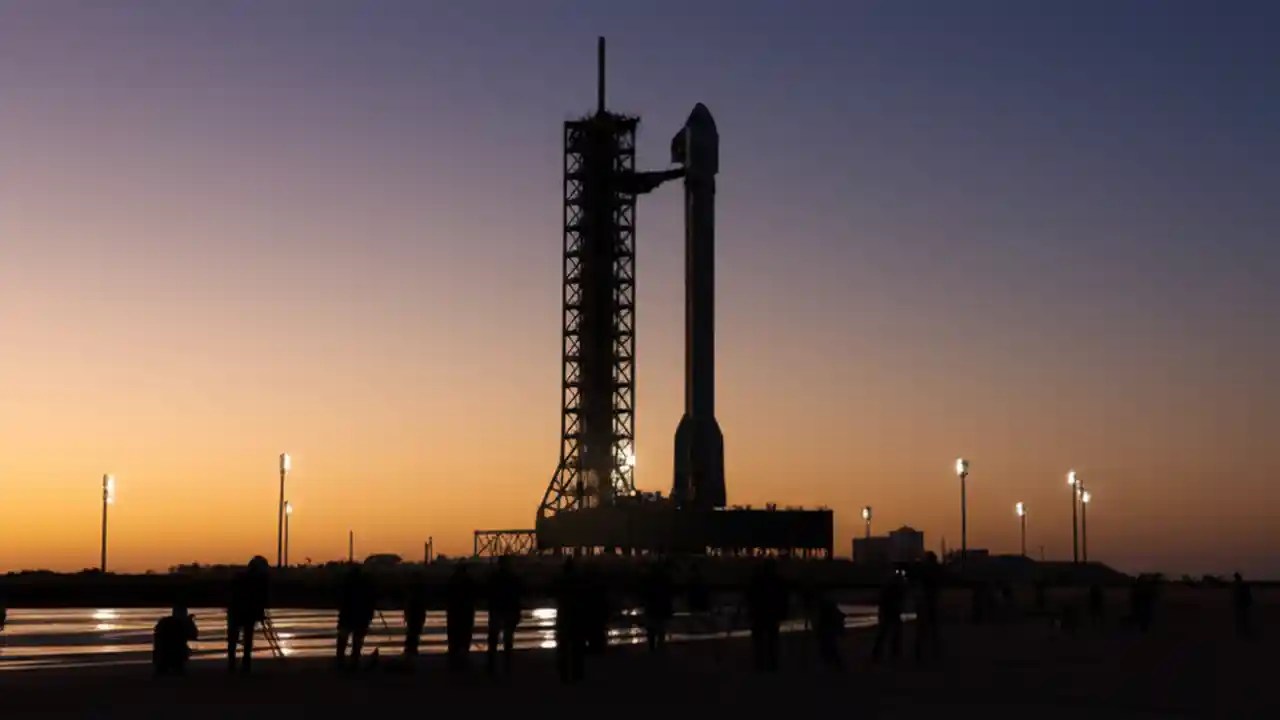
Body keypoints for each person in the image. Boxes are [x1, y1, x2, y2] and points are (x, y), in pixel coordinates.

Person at [226, 556, 270, 674]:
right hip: (242, 611)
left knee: (235, 638)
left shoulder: (240, 578)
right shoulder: (258, 580)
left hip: (238, 610)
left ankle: (236, 664)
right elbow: (261, 599)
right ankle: (243, 664)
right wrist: (259, 612)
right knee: (244, 637)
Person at [745, 559, 787, 671]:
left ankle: (760, 664)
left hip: (760, 614)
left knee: (760, 641)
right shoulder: (778, 581)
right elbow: (783, 599)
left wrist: (750, 612)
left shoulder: (757, 580)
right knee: (772, 641)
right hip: (771, 615)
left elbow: (749, 597)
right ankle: (772, 664)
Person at [486, 556, 522, 675]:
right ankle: (506, 664)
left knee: (493, 639)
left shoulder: (494, 578)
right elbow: (517, 596)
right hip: (508, 610)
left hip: (498, 610)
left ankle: (492, 665)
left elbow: (489, 594)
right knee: (507, 639)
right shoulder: (514, 578)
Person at [336, 565, 376, 669]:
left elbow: (341, 599)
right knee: (356, 637)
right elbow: (370, 600)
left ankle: (342, 659)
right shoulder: (365, 585)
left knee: (346, 636)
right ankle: (353, 659)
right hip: (358, 615)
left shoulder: (347, 584)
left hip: (350, 614)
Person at [554, 558, 587, 683]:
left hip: (564, 616)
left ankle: (564, 673)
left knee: (563, 646)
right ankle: (577, 673)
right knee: (577, 647)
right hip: (576, 616)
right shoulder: (579, 583)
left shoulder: (560, 582)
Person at [446, 563, 476, 672]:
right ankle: (462, 654)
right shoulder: (468, 580)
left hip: (455, 612)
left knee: (455, 635)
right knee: (464, 634)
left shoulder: (452, 580)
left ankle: (455, 655)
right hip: (465, 612)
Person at [153, 605, 199, 676]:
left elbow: (193, 635)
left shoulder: (165, 622)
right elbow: (193, 635)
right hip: (171, 654)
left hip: (166, 655)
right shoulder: (168, 623)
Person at [913, 553, 942, 662]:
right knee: (931, 629)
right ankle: (933, 652)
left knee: (923, 630)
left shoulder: (923, 571)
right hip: (929, 602)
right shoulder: (934, 571)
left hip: (924, 602)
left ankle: (921, 653)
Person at [640, 560, 674, 653]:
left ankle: (652, 645)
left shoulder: (649, 580)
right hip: (661, 605)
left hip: (652, 605)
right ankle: (660, 645)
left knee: (652, 626)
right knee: (661, 627)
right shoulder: (666, 579)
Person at [871, 571, 904, 662]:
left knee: (885, 633)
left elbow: (881, 600)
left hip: (888, 611)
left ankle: (880, 653)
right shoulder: (895, 588)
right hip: (891, 611)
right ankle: (892, 653)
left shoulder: (889, 587)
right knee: (891, 632)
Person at [814, 594, 844, 668]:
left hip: (826, 630)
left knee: (828, 648)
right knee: (831, 648)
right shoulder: (830, 608)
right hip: (829, 630)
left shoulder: (824, 609)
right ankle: (836, 664)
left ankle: (833, 663)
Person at [403, 576, 428, 659]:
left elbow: (408, 608)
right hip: (415, 617)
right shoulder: (418, 597)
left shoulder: (413, 597)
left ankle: (411, 649)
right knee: (414, 633)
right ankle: (411, 649)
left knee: (413, 633)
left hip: (415, 617)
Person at [1233, 572, 1253, 638]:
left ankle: (1240, 632)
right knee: (1243, 618)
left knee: (1240, 618)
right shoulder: (1241, 585)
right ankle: (1243, 631)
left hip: (1240, 604)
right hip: (1242, 604)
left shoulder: (1235, 585)